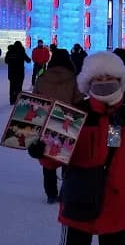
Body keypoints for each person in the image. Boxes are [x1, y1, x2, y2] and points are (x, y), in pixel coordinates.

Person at [28, 51, 125, 245]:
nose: (103, 82)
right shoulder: (74, 113)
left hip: (117, 203)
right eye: (98, 78)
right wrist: (42, 151)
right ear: (88, 82)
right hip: (78, 201)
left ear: (120, 79)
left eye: (109, 77)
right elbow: (54, 158)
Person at [32, 49, 83, 204]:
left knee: (47, 161)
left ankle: (51, 194)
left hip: (46, 123)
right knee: (67, 159)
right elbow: (79, 102)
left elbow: (35, 101)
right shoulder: (74, 79)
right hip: (68, 124)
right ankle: (65, 192)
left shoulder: (42, 78)